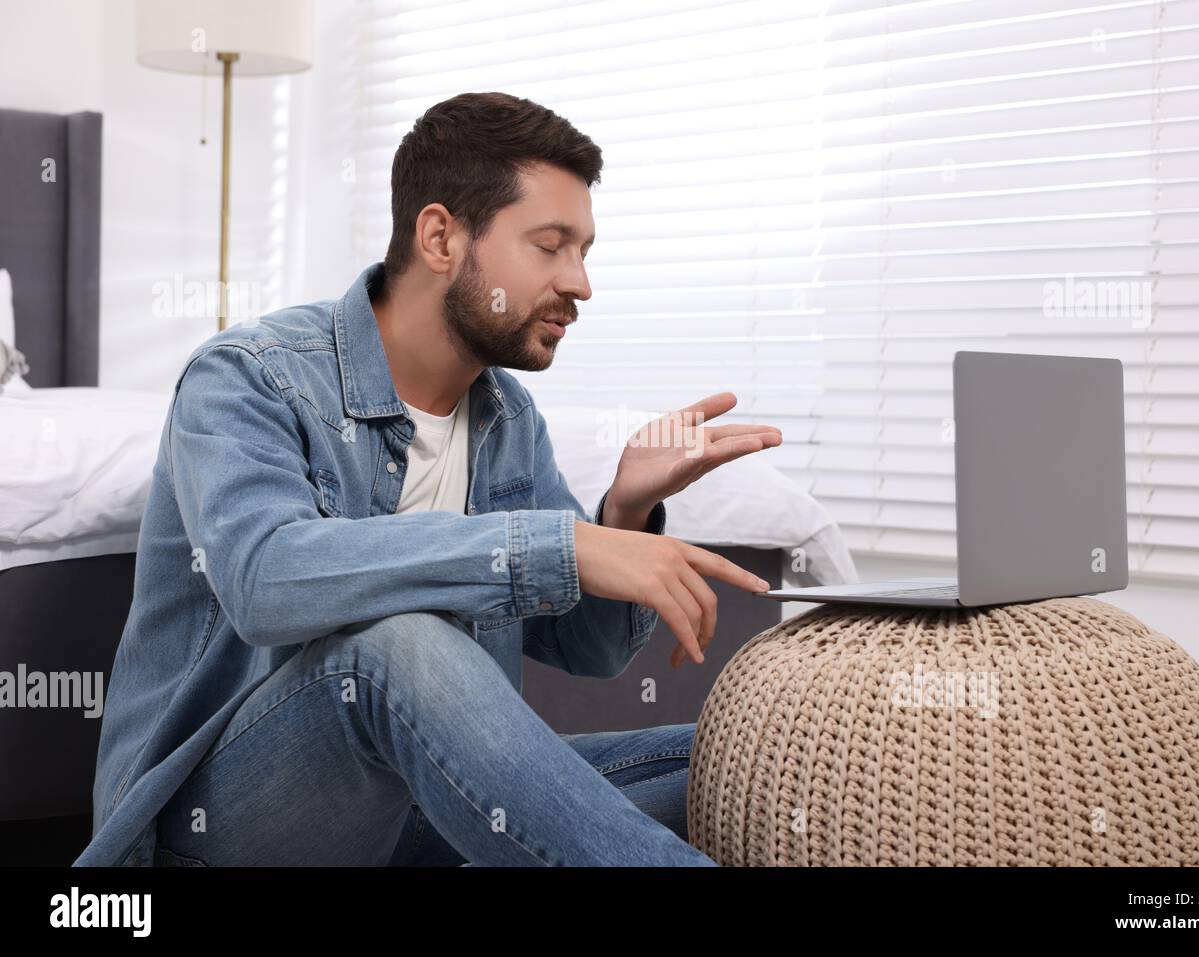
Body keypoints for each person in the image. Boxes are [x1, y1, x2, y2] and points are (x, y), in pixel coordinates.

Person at [74, 91, 782, 867]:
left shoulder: (506, 416)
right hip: (220, 828)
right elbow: (264, 578)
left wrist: (625, 510)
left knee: (753, 759)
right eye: (551, 245)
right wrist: (557, 546)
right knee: (396, 642)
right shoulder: (248, 378)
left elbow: (587, 648)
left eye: (585, 251)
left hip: (417, 819)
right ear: (441, 236)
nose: (580, 283)